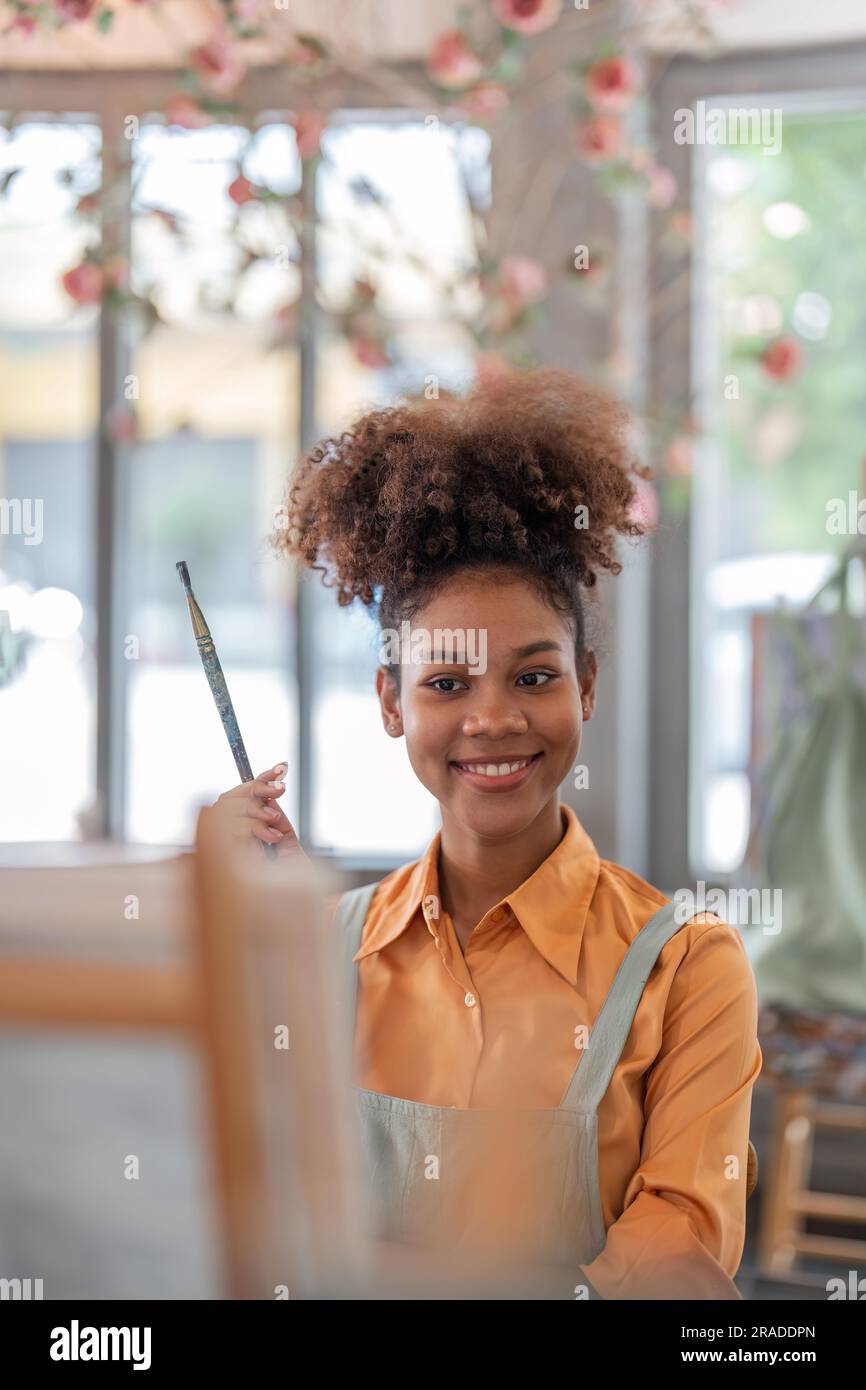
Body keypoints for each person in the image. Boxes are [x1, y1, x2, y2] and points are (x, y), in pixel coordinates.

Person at [215, 366, 762, 1299]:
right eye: (446, 684)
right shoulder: (323, 955)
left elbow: (680, 1268)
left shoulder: (689, 972)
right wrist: (240, 937)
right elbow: (251, 1220)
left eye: (535, 677)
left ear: (587, 685)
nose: (494, 719)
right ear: (391, 701)